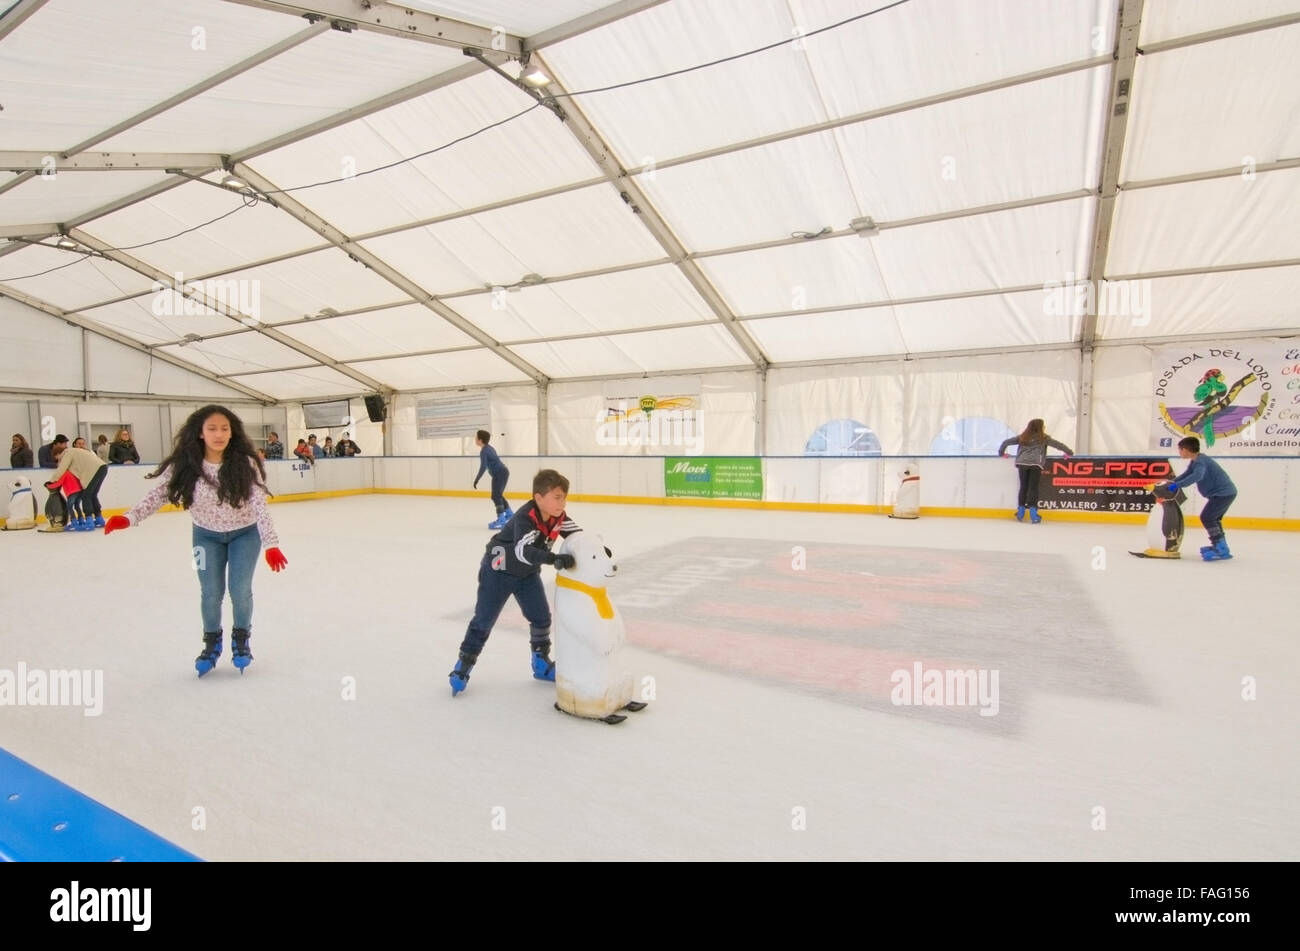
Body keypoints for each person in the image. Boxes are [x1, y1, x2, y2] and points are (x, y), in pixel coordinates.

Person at [105, 405, 288, 676]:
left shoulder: (246, 463)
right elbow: (160, 494)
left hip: (245, 535)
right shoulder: (186, 464)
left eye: (224, 428)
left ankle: (241, 640)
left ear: (232, 432)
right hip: (205, 536)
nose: (219, 434)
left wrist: (271, 543)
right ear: (200, 433)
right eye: (212, 428)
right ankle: (211, 643)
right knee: (211, 593)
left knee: (239, 590)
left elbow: (259, 503)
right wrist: (130, 517)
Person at [449, 469, 580, 696]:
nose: (562, 502)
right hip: (498, 571)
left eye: (564, 497)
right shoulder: (525, 518)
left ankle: (540, 664)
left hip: (526, 575)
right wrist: (554, 558)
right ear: (539, 498)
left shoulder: (559, 516)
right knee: (484, 620)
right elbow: (523, 551)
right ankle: (463, 665)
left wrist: (595, 549)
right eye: (557, 497)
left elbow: (576, 534)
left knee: (540, 617)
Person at [1158, 436, 1238, 561]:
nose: (1179, 452)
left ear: (1185, 450)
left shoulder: (1201, 462)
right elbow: (1187, 474)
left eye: (1180, 450)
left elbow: (1197, 476)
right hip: (1225, 493)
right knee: (1213, 519)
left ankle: (1220, 547)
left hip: (1223, 494)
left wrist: (1177, 485)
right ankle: (1221, 546)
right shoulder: (1196, 461)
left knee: (1208, 517)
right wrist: (1170, 482)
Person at [998, 419, 1073, 523]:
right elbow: (1058, 445)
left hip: (1022, 463)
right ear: (1041, 427)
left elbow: (1006, 442)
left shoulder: (1022, 437)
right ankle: (1033, 514)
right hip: (1035, 464)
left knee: (1023, 487)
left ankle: (1021, 512)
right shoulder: (1044, 438)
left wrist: (1001, 453)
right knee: (1033, 488)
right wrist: (1069, 452)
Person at [45, 443, 108, 528]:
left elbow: (62, 468)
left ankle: (89, 520)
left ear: (58, 454)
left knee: (86, 496)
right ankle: (99, 518)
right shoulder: (74, 452)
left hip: (94, 470)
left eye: (57, 458)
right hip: (102, 467)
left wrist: (52, 481)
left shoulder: (67, 453)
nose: (58, 460)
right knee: (93, 495)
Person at [473, 430, 512, 529]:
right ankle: (509, 514)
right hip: (502, 472)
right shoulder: (489, 448)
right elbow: (492, 464)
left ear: (480, 440)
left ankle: (501, 520)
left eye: (476, 437)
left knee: (496, 496)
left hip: (500, 473)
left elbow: (483, 467)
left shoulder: (484, 451)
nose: (475, 439)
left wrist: (477, 479)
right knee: (497, 495)